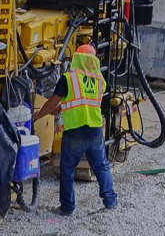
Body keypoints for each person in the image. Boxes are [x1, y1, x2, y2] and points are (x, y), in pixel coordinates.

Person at [35, 44, 118, 215]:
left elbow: (52, 102)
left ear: (77, 58)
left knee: (67, 170)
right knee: (101, 166)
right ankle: (111, 201)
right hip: (95, 131)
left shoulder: (68, 78)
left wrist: (37, 116)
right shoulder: (100, 80)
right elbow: (86, 102)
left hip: (75, 133)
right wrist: (63, 107)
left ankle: (67, 207)